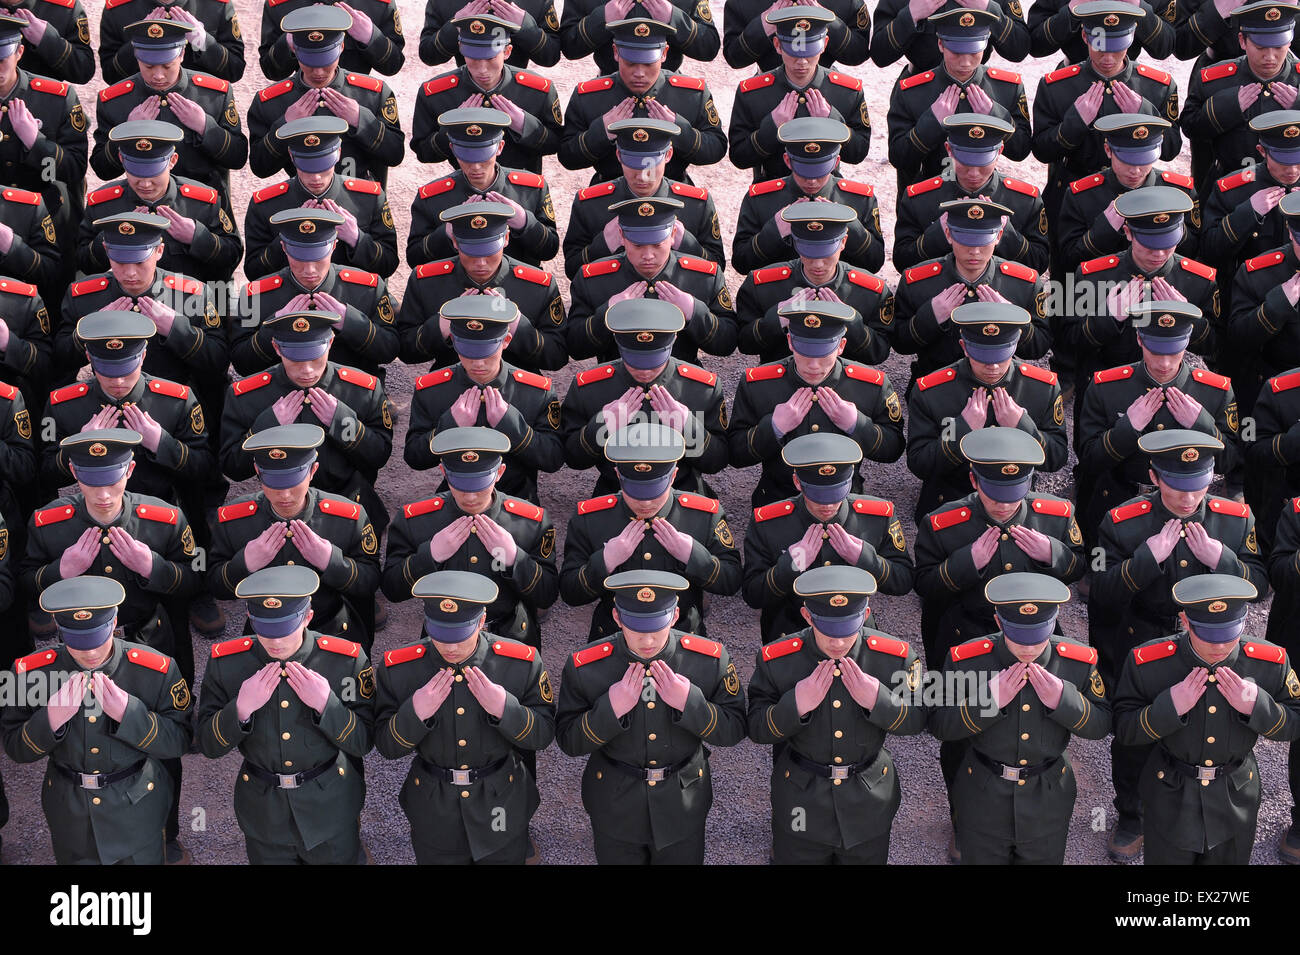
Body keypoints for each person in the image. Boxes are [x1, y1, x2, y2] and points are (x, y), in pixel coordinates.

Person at [1090, 429, 1269, 860]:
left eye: (1198, 486)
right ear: (1154, 476)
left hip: (1213, 642)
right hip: (1147, 637)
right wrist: (1144, 560)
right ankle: (1131, 813)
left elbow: (1260, 584)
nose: (1189, 498)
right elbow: (1100, 589)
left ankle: (1196, 814)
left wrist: (1222, 561)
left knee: (1206, 726)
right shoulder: (1122, 520)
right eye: (1176, 486)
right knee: (1136, 731)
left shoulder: (1235, 519)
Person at [555, 570, 746, 864]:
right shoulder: (586, 666)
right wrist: (611, 709)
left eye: (656, 627)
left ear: (674, 616)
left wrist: (690, 703)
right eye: (636, 627)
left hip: (683, 801)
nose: (647, 640)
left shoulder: (709, 660)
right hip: (614, 802)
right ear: (617, 618)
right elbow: (569, 741)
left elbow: (734, 730)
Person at [1, 575, 193, 864]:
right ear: (59, 629)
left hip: (137, 806)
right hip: (70, 811)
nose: (89, 651)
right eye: (77, 641)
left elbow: (181, 740)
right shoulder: (28, 673)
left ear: (114, 623)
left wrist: (130, 715)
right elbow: (15, 748)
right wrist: (50, 719)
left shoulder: (157, 669)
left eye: (95, 638)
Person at [1114, 574, 1300, 863]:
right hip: (1170, 794)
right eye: (1208, 635)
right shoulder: (1147, 662)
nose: (1220, 646)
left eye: (1229, 634)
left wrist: (1256, 705)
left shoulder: (1269, 662)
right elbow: (1124, 730)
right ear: (1185, 621)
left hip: (1235, 796)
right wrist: (1169, 708)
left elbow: (1294, 722)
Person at [747, 565, 926, 864]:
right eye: (827, 630)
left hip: (868, 796)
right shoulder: (777, 659)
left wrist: (878, 700)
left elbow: (919, 720)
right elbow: (755, 727)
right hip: (800, 797)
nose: (838, 642)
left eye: (847, 630)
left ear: (866, 615)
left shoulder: (896, 657)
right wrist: (796, 705)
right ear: (806, 616)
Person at [197, 565, 375, 864]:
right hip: (264, 811)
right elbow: (208, 745)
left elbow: (364, 742)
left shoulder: (346, 660)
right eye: (266, 630)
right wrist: (239, 709)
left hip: (330, 804)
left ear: (307, 617)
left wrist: (326, 705)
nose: (276, 641)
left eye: (285, 630)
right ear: (252, 618)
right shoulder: (226, 662)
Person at [375, 570, 555, 864]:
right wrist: (415, 714)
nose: (451, 646)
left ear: (482, 620)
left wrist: (504, 709)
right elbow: (386, 746)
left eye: (461, 635)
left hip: (501, 798)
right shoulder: (400, 668)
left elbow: (544, 734)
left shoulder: (520, 662)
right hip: (434, 803)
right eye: (440, 635)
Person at [930, 572, 1111, 864]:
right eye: (1019, 637)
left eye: (1037, 637)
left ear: (1054, 622)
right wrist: (987, 701)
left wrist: (1064, 700)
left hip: (1048, 795)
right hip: (983, 792)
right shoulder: (967, 660)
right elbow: (939, 724)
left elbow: (1101, 724)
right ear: (999, 622)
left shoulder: (1078, 662)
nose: (1028, 648)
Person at [913, 426, 1085, 673]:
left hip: (1032, 639)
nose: (1004, 505)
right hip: (968, 634)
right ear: (974, 480)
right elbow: (923, 584)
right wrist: (967, 562)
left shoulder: (1057, 516)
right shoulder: (941, 524)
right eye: (994, 494)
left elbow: (1078, 568)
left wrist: (1052, 553)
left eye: (1013, 494)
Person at [1075, 301, 1239, 551]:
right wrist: (1128, 428)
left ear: (1187, 341)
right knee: (1103, 581)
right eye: (1156, 351)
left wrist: (1202, 425)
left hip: (1187, 508)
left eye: (1173, 351)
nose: (1164, 363)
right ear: (1140, 339)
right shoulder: (1105, 387)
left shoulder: (1216, 392)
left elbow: (1231, 462)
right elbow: (1088, 460)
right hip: (1119, 502)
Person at [220, 310, 394, 538]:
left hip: (349, 506)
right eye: (296, 359)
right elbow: (232, 466)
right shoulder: (246, 396)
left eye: (314, 357)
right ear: (277, 348)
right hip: (279, 513)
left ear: (330, 342)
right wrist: (266, 427)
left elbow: (379, 454)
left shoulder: (363, 389)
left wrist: (341, 422)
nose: (307, 370)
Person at [560, 421, 740, 641]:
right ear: (618, 474)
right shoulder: (591, 519)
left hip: (683, 638)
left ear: (673, 476)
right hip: (613, 637)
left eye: (654, 492)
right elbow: (569, 592)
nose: (645, 503)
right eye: (635, 492)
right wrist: (605, 561)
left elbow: (732, 580)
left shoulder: (703, 515)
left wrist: (693, 555)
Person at [209, 424, 381, 650]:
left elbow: (370, 581)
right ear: (258, 472)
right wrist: (244, 564)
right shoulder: (233, 520)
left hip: (333, 632)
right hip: (268, 637)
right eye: (274, 484)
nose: (285, 495)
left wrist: (332, 561)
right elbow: (214, 584)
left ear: (313, 470)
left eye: (293, 482)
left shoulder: (348, 517)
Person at [382, 426, 558, 647]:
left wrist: (515, 558)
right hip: (443, 640)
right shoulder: (416, 520)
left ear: (500, 473)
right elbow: (392, 589)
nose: (471, 497)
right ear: (444, 473)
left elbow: (547, 594)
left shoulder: (530, 521)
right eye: (461, 485)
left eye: (479, 485)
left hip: (510, 638)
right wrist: (430, 555)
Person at [729, 297, 905, 508]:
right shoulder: (757, 384)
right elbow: (735, 454)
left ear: (841, 346)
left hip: (843, 502)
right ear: (790, 342)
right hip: (776, 500)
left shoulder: (871, 386)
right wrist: (773, 427)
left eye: (823, 355)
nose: (813, 365)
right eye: (804, 353)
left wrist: (857, 425)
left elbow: (894, 448)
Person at [742, 433, 913, 642]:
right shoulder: (768, 523)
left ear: (849, 483)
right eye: (818, 496)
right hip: (789, 633)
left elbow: (904, 580)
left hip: (852, 634)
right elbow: (752, 594)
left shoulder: (878, 517)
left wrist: (865, 558)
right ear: (797, 481)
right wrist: (790, 565)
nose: (828, 505)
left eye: (835, 494)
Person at [906, 302, 1067, 522]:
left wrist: (1022, 426)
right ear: (964, 346)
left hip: (1013, 502)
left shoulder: (1042, 387)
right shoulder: (932, 390)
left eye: (1001, 355)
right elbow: (919, 462)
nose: (993, 366)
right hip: (951, 500)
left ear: (1016, 343)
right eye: (982, 356)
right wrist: (961, 428)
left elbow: (1057, 456)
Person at [1030, 1, 1181, 235]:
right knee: (1067, 270)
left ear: (1131, 37)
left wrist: (1145, 113)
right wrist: (1075, 123)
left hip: (1136, 198)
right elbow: (1041, 150)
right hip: (1074, 196)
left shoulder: (1157, 87)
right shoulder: (1057, 86)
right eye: (1100, 47)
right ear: (1084, 36)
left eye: (1117, 47)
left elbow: (1171, 148)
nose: (1108, 57)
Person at [559, 297, 729, 497]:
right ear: (617, 341)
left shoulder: (701, 388)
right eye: (635, 361)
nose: (645, 371)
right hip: (615, 494)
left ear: (674, 339)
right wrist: (600, 427)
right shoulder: (589, 387)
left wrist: (688, 427)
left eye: (654, 362)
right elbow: (571, 457)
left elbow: (718, 460)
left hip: (684, 494)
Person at [404, 294, 562, 503]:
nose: (478, 363)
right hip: (457, 499)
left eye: (486, 352)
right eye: (468, 352)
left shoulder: (536, 391)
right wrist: (450, 426)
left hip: (519, 500)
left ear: (506, 341)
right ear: (453, 340)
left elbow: (553, 458)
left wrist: (511, 424)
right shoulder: (432, 390)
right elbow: (415, 457)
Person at [890, 196, 1049, 393]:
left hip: (1001, 391)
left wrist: (1013, 317)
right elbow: (899, 342)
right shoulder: (918, 281)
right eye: (965, 241)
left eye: (983, 242)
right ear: (948, 234)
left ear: (999, 236)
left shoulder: (1024, 283)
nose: (974, 251)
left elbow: (1039, 346)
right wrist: (930, 317)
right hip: (935, 390)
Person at [397, 200, 567, 374]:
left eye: (489, 251)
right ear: (455, 241)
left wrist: (518, 325)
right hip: (450, 387)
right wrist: (441, 326)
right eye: (471, 252)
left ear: (506, 238)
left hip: (519, 391)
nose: (481, 262)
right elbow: (405, 350)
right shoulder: (426, 281)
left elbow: (557, 355)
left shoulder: (538, 286)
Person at [566, 194, 737, 364]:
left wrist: (695, 311)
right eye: (638, 245)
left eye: (657, 245)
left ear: (673, 235)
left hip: (680, 386)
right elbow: (575, 347)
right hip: (617, 385)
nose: (648, 255)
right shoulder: (593, 279)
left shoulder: (704, 276)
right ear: (621, 236)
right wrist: (607, 313)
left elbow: (727, 342)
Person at [93, 17, 246, 208]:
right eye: (148, 66)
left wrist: (205, 127)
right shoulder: (114, 100)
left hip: (204, 210)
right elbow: (101, 168)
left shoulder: (215, 93)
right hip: (141, 211)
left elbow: (238, 156)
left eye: (167, 66)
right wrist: (126, 132)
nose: (158, 75)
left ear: (182, 53)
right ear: (136, 55)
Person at [233, 207, 397, 379]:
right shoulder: (254, 295)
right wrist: (275, 326)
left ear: (334, 245)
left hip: (350, 397)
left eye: (318, 257)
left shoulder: (368, 288)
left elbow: (389, 350)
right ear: (284, 247)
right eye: (300, 257)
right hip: (282, 399)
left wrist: (350, 321)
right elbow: (241, 363)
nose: (309, 269)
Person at [248, 6, 402, 187]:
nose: (319, 72)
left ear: (341, 47)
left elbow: (395, 154)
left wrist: (362, 120)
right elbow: (260, 167)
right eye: (310, 63)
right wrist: (284, 127)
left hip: (362, 204)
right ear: (295, 50)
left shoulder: (373, 94)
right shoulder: (272, 102)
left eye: (326, 61)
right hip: (304, 204)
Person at [558, 16, 725, 184]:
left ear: (664, 53)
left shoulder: (691, 95)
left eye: (648, 64)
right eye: (630, 63)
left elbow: (716, 148)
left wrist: (680, 130)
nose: (639, 73)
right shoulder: (589, 97)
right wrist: (601, 132)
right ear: (616, 52)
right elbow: (567, 157)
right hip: (608, 197)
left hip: (673, 200)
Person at [884, 7, 1031, 196]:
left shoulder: (1007, 88)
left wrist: (996, 116)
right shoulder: (912, 91)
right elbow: (899, 157)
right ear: (941, 44)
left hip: (983, 200)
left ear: (985, 44)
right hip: (927, 200)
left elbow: (1021, 150)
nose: (965, 62)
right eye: (956, 52)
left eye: (973, 52)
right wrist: (930, 124)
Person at [79, 119, 243, 283]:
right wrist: (113, 233)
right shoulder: (103, 204)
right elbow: (83, 262)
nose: (145, 183)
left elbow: (233, 255)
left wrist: (197, 237)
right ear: (121, 159)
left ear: (172, 160)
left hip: (188, 303)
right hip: (126, 304)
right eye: (136, 173)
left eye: (153, 173)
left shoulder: (203, 202)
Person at [734, 201, 893, 367]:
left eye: (826, 253)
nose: (818, 264)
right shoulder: (762, 284)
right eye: (809, 252)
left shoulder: (871, 291)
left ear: (843, 242)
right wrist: (777, 319)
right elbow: (744, 343)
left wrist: (850, 322)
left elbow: (879, 352)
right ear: (795, 243)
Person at [564, 116, 724, 279]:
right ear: (619, 155)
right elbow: (571, 269)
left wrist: (687, 243)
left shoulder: (697, 205)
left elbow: (717, 268)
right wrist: (602, 245)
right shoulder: (590, 205)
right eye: (633, 164)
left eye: (651, 164)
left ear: (668, 154)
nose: (642, 176)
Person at [243, 115, 398, 281]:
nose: (316, 177)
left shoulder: (369, 198)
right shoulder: (265, 204)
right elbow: (254, 272)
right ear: (291, 155)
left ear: (338, 153)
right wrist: (288, 236)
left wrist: (357, 239)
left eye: (323, 166)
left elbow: (388, 264)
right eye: (308, 167)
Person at [727, 6, 869, 184]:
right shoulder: (753, 94)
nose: (802, 62)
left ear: (824, 45)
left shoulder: (847, 92)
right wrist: (772, 127)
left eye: (809, 52)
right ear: (778, 45)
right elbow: (739, 157)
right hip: (772, 192)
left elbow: (859, 152)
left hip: (827, 198)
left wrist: (833, 121)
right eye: (794, 53)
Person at [895, 114, 1048, 274]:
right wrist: (938, 234)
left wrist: (1005, 233)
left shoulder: (1025, 200)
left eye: (982, 162)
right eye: (965, 161)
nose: (974, 173)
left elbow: (1039, 263)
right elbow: (902, 262)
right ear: (949, 150)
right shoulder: (920, 199)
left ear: (1000, 151)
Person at [732, 116, 883, 277]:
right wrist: (773, 232)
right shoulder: (760, 199)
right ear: (788, 161)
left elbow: (875, 262)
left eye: (819, 171)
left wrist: (850, 225)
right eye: (804, 171)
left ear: (835, 162)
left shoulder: (859, 200)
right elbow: (741, 263)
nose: (812, 180)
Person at [409, 107, 558, 269]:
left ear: (500, 147)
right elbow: (415, 259)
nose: (476, 167)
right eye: (466, 158)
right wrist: (446, 232)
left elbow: (549, 250)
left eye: (483, 157)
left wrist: (525, 223)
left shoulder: (531, 189)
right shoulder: (432, 197)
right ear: (452, 149)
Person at [413, 13, 561, 175]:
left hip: (523, 192)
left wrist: (526, 126)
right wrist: (452, 129)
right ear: (461, 49)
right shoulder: (435, 94)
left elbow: (557, 145)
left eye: (491, 58)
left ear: (507, 52)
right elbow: (423, 152)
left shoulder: (538, 91)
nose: (482, 69)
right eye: (474, 59)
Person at [1055, 113, 1199, 280]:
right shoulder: (1081, 196)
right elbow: (1066, 261)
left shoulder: (1181, 193)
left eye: (1144, 160)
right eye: (1127, 161)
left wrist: (1174, 225)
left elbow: (1194, 251)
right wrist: (1103, 231)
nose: (1136, 170)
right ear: (1108, 150)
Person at [1181, 1, 1300, 190]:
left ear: (1290, 40)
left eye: (1278, 47)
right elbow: (1189, 125)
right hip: (1229, 188)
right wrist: (1226, 107)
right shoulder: (1214, 80)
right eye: (1261, 47)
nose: (1270, 56)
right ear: (1243, 41)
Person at [0, 11, 88, 265]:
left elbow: (74, 169)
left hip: (47, 220)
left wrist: (35, 144)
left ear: (19, 53)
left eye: (3, 58)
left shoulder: (57, 99)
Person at [99, 0, 245, 84]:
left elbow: (235, 70)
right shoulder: (118, 10)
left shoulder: (216, 5)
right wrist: (138, 43)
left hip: (201, 106)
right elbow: (111, 76)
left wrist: (204, 42)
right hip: (140, 107)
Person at [562, 0, 719, 75]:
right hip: (609, 90)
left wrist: (674, 18)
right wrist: (602, 18)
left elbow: (709, 46)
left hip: (668, 93)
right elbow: (569, 46)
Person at [258, 0, 404, 80]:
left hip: (359, 103)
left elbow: (393, 65)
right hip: (301, 105)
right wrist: (290, 40)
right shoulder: (281, 4)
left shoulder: (377, 4)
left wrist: (371, 37)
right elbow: (270, 71)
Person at [724, 0, 870, 72]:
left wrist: (827, 21)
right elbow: (734, 58)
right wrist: (762, 26)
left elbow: (859, 53)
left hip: (826, 92)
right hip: (766, 94)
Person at [422, 0, 561, 69]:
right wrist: (455, 26)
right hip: (464, 94)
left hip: (518, 95)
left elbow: (551, 56)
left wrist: (526, 28)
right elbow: (428, 54)